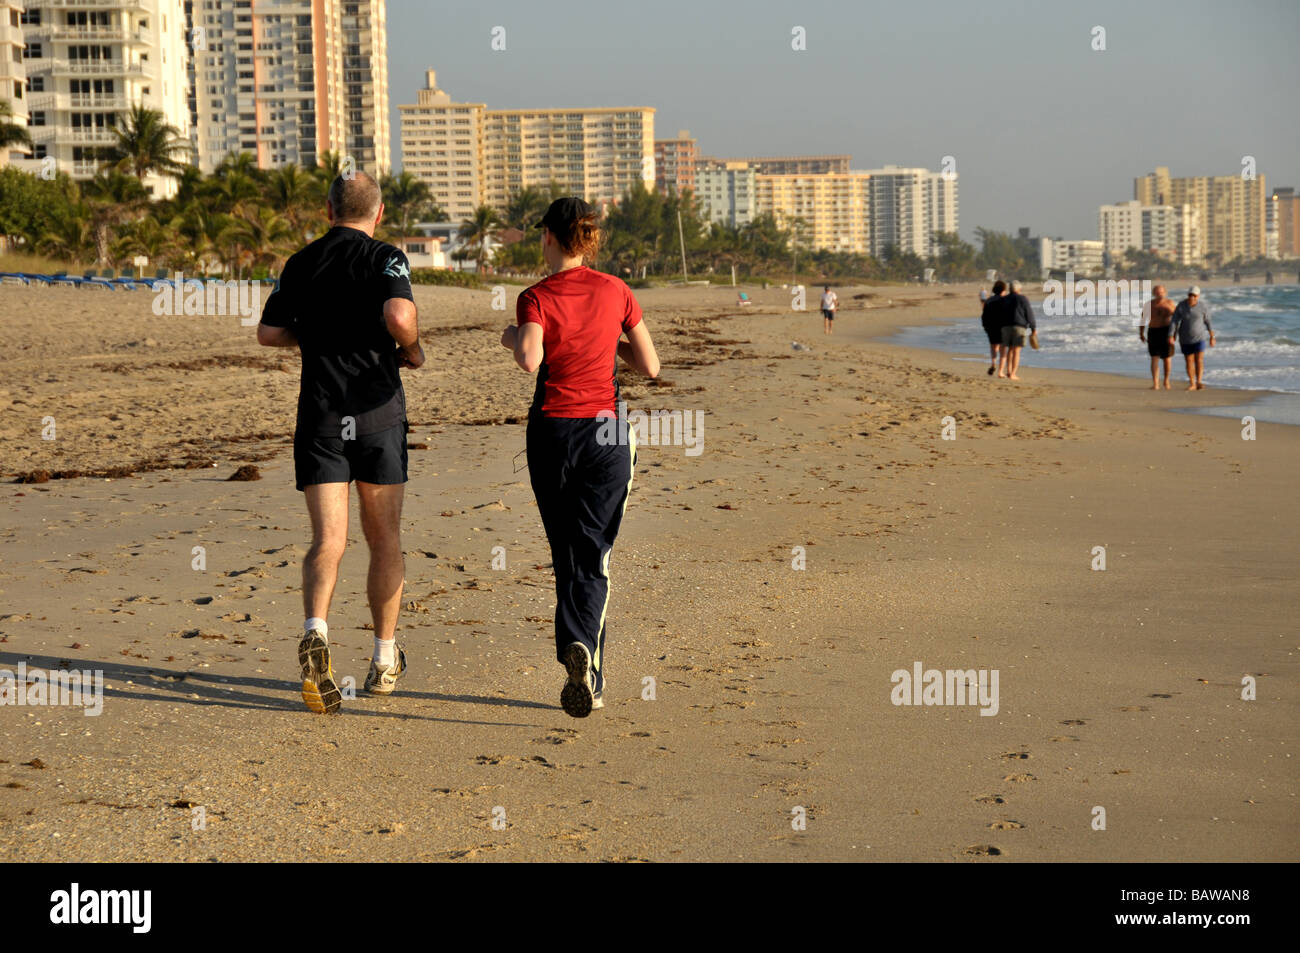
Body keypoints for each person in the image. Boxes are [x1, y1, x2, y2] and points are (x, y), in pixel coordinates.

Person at [257, 171, 423, 714]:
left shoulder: (301, 261)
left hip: (321, 418)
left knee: (329, 541)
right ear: (378, 214)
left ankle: (318, 632)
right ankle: (382, 658)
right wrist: (413, 349)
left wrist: (318, 333)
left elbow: (269, 332)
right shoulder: (386, 257)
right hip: (376, 417)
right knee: (385, 540)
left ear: (328, 211)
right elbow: (399, 316)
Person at [501, 197, 660, 718]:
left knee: (567, 552)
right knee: (594, 553)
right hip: (607, 432)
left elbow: (529, 359)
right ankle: (586, 658)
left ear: (547, 236)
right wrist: (610, 344)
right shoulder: (616, 290)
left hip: (552, 431)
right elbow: (651, 366)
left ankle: (583, 656)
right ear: (588, 239)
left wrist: (510, 336)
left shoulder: (535, 297)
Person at [1169, 285, 1215, 390]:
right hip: (1185, 338)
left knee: (1199, 360)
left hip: (1200, 337)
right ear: (1188, 295)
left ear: (1198, 296)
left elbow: (1208, 322)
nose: (1192, 297)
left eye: (1194, 295)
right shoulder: (1181, 306)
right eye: (1190, 295)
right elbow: (1174, 321)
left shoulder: (1202, 307)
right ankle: (1192, 383)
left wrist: (1212, 336)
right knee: (1189, 361)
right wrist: (1171, 335)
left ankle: (1199, 382)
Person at [998, 279, 1036, 380]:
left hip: (1005, 327)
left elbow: (999, 314)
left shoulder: (1004, 299)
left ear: (1009, 289)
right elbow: (1029, 314)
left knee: (1009, 349)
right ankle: (1013, 374)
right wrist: (1033, 328)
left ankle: (1009, 371)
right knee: (1016, 351)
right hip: (1019, 327)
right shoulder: (1023, 299)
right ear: (1019, 289)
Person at [1139, 284, 1176, 389]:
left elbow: (1176, 319)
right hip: (1153, 332)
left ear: (1165, 292)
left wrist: (1174, 335)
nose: (1159, 294)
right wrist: (1141, 333)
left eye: (1161, 291)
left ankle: (1166, 381)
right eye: (1157, 292)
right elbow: (1142, 320)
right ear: (1153, 293)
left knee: (1167, 358)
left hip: (1166, 332)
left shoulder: (1170, 303)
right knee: (1154, 358)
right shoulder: (1149, 305)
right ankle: (1155, 383)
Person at [980, 280, 1007, 375]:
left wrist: (985, 326)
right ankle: (1000, 371)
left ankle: (993, 363)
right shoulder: (1005, 300)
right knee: (1003, 349)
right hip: (1003, 327)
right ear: (1004, 290)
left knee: (993, 346)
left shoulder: (989, 301)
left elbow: (984, 315)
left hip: (991, 327)